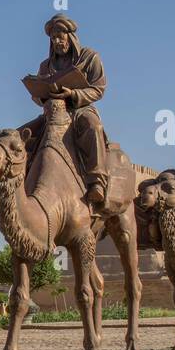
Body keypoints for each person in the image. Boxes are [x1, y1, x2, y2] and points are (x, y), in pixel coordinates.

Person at [19, 14, 110, 208]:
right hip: (52, 112)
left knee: (93, 127)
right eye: (53, 38)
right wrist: (40, 95)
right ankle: (22, 185)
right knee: (19, 137)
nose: (57, 41)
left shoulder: (88, 57)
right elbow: (38, 93)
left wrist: (73, 94)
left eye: (60, 36)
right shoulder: (46, 65)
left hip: (79, 109)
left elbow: (98, 88)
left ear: (70, 36)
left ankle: (96, 182)